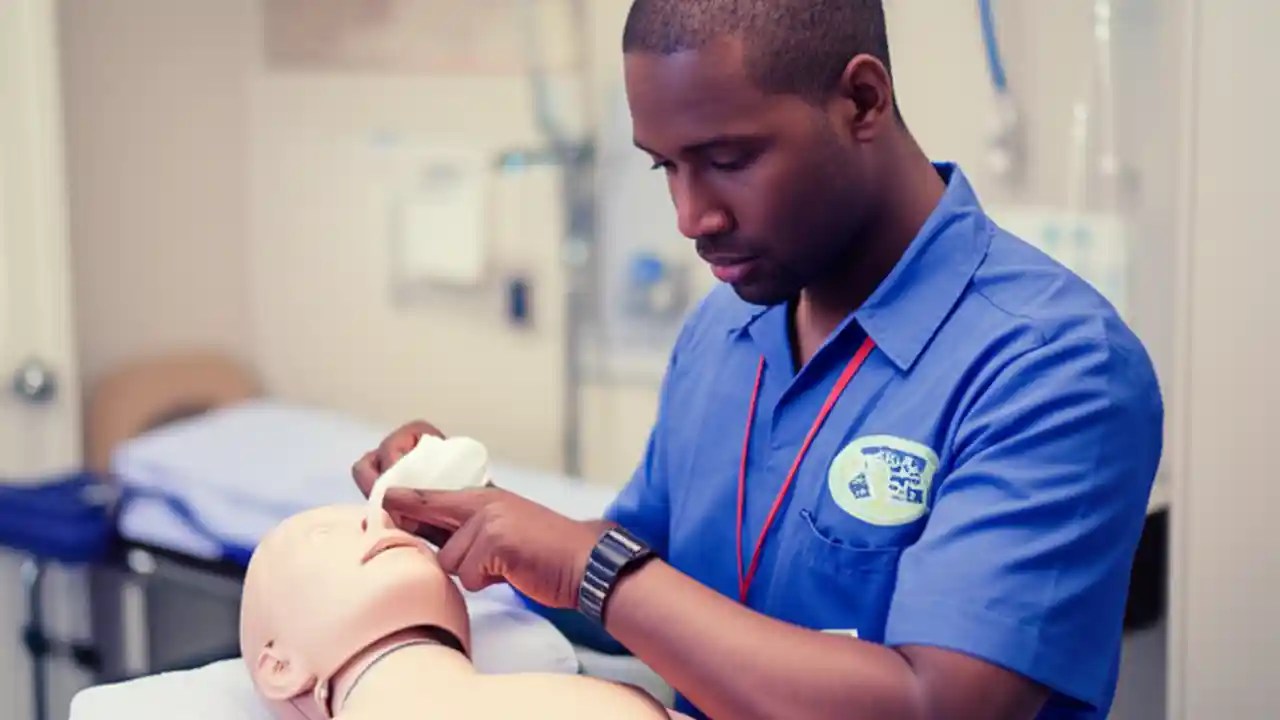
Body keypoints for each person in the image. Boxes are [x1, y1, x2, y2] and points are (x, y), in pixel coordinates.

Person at [352, 1, 1163, 718]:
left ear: (861, 100)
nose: (690, 216)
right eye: (665, 166)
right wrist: (486, 524)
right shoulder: (724, 332)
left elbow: (937, 703)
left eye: (729, 159)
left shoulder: (1053, 367)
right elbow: (645, 577)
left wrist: (593, 566)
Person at [239, 504, 691, 720]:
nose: (376, 520)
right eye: (322, 535)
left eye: (395, 527)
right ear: (280, 667)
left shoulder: (615, 697)